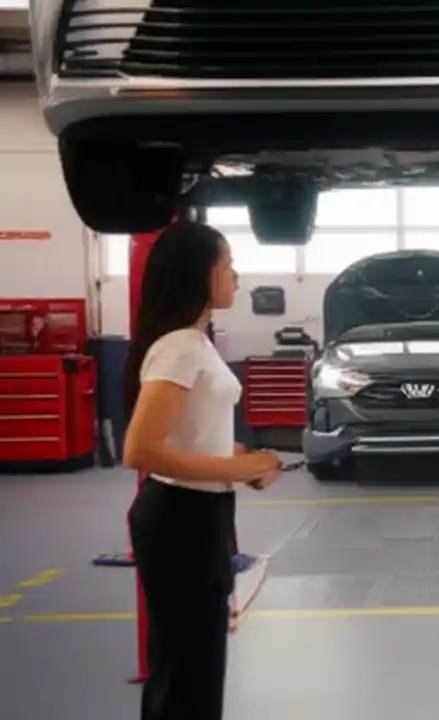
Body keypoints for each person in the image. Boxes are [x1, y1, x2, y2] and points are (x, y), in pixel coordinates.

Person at [122, 222, 285, 720]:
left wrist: (241, 460)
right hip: (180, 518)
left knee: (197, 666)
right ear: (199, 274)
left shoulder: (197, 341)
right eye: (227, 264)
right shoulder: (181, 347)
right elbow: (142, 450)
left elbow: (192, 434)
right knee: (185, 672)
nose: (235, 275)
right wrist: (237, 469)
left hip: (201, 514)